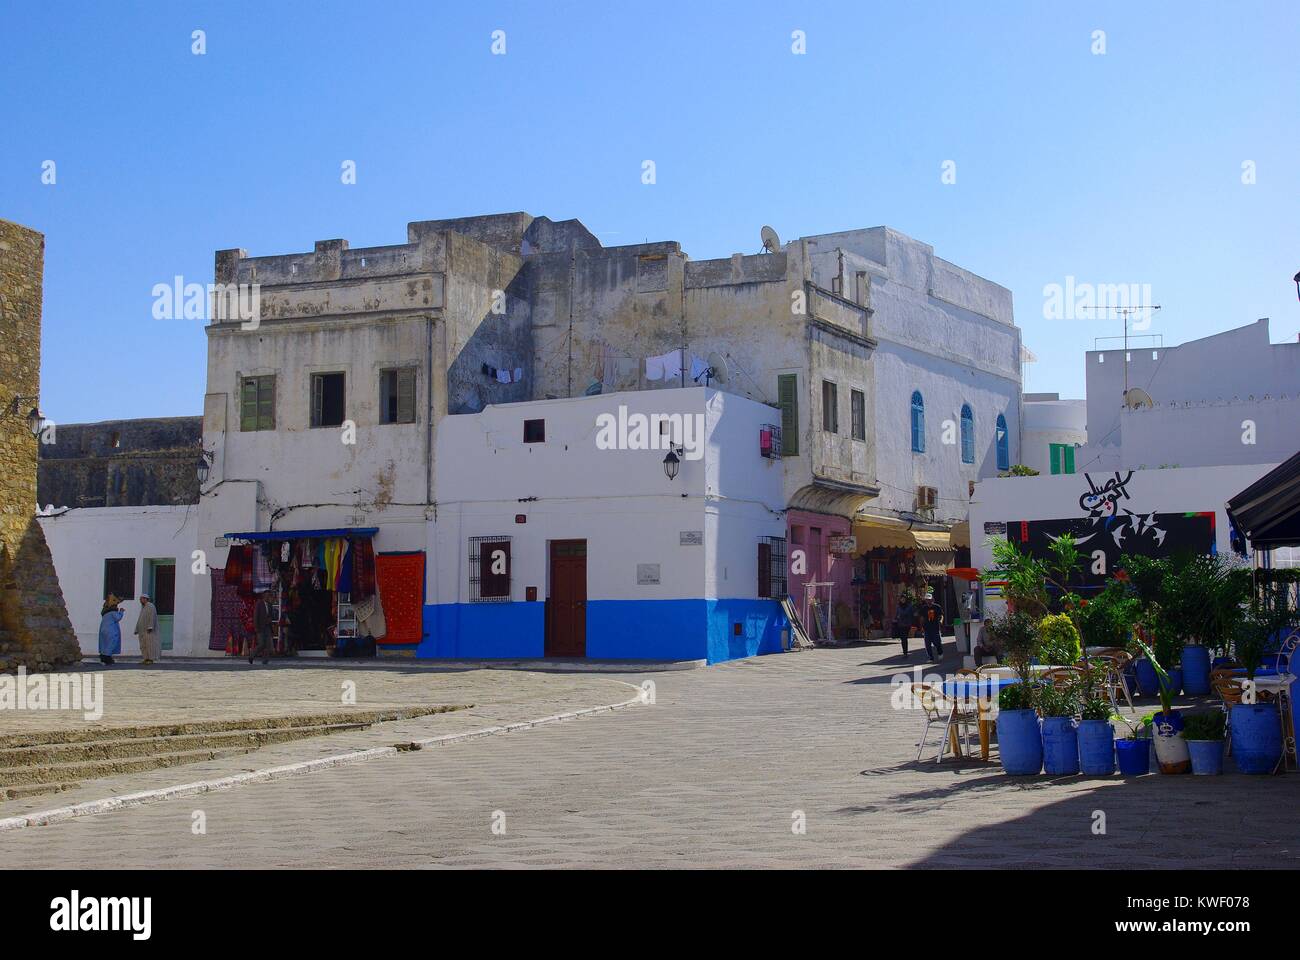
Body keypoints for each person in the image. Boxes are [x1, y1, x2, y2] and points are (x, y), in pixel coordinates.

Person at [98, 594, 124, 665]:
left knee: (104, 645)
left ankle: (103, 658)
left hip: (103, 630)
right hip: (111, 631)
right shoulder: (113, 612)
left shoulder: (105, 614)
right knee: (110, 644)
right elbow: (118, 618)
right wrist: (121, 612)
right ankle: (107, 659)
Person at [920, 589, 945, 662]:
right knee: (927, 644)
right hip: (926, 628)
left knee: (937, 642)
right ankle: (931, 658)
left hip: (935, 627)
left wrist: (941, 621)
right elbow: (921, 618)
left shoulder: (937, 607)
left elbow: (941, 615)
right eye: (927, 600)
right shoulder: (924, 608)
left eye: (929, 599)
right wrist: (921, 627)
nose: (928, 601)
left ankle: (940, 652)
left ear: (932, 599)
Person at [135, 593, 160, 664]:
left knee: (150, 645)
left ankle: (150, 659)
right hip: (142, 630)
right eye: (140, 599)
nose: (140, 600)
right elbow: (140, 619)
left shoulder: (150, 606)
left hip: (148, 630)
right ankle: (145, 658)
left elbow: (152, 617)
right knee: (143, 645)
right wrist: (137, 629)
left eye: (142, 599)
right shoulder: (143, 607)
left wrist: (150, 627)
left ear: (146, 599)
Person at [251, 590, 273, 665]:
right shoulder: (259, 604)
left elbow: (271, 615)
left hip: (267, 627)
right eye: (266, 595)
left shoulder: (270, 605)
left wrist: (270, 619)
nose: (268, 597)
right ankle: (252, 656)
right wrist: (256, 627)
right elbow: (256, 616)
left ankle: (265, 661)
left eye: (269, 595)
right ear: (263, 596)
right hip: (260, 627)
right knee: (261, 644)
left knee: (268, 645)